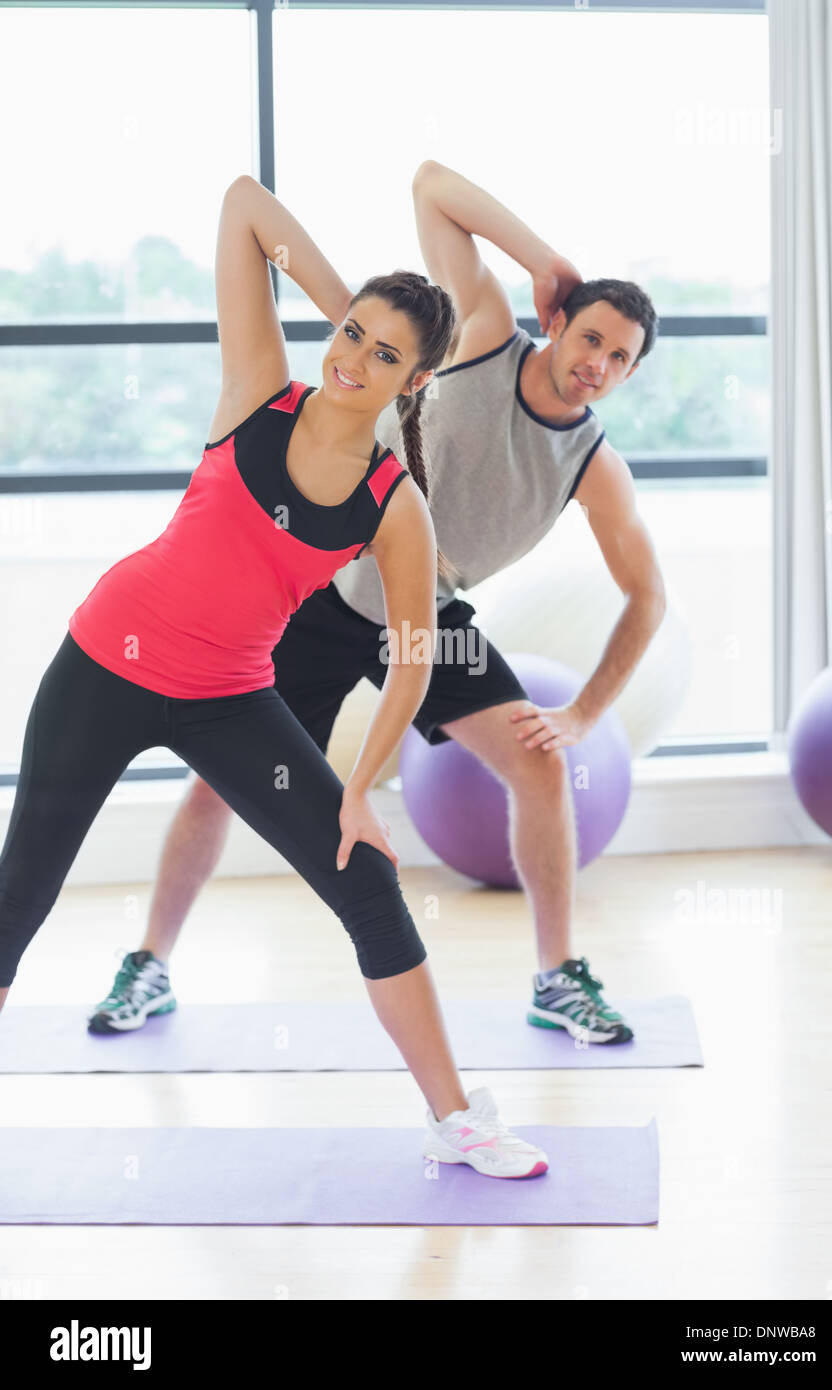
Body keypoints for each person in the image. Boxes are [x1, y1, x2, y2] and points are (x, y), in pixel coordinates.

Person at [0, 174, 549, 1181]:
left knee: (369, 884)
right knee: (19, 893)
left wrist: (359, 791)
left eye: (385, 356)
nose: (353, 361)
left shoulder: (394, 507)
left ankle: (454, 1118)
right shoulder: (259, 387)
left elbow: (413, 660)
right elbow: (245, 205)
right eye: (349, 336)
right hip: (106, 662)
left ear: (413, 384)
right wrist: (351, 304)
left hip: (226, 695)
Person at [93, 160, 667, 1047]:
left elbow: (646, 595)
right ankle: (149, 964)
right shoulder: (481, 332)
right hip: (319, 596)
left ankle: (557, 978)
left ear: (629, 375)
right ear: (560, 322)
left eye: (619, 357)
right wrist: (543, 256)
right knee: (218, 783)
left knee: (541, 765)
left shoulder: (594, 468)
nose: (597, 363)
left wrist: (587, 713)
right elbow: (433, 184)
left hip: (427, 617)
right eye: (590, 337)